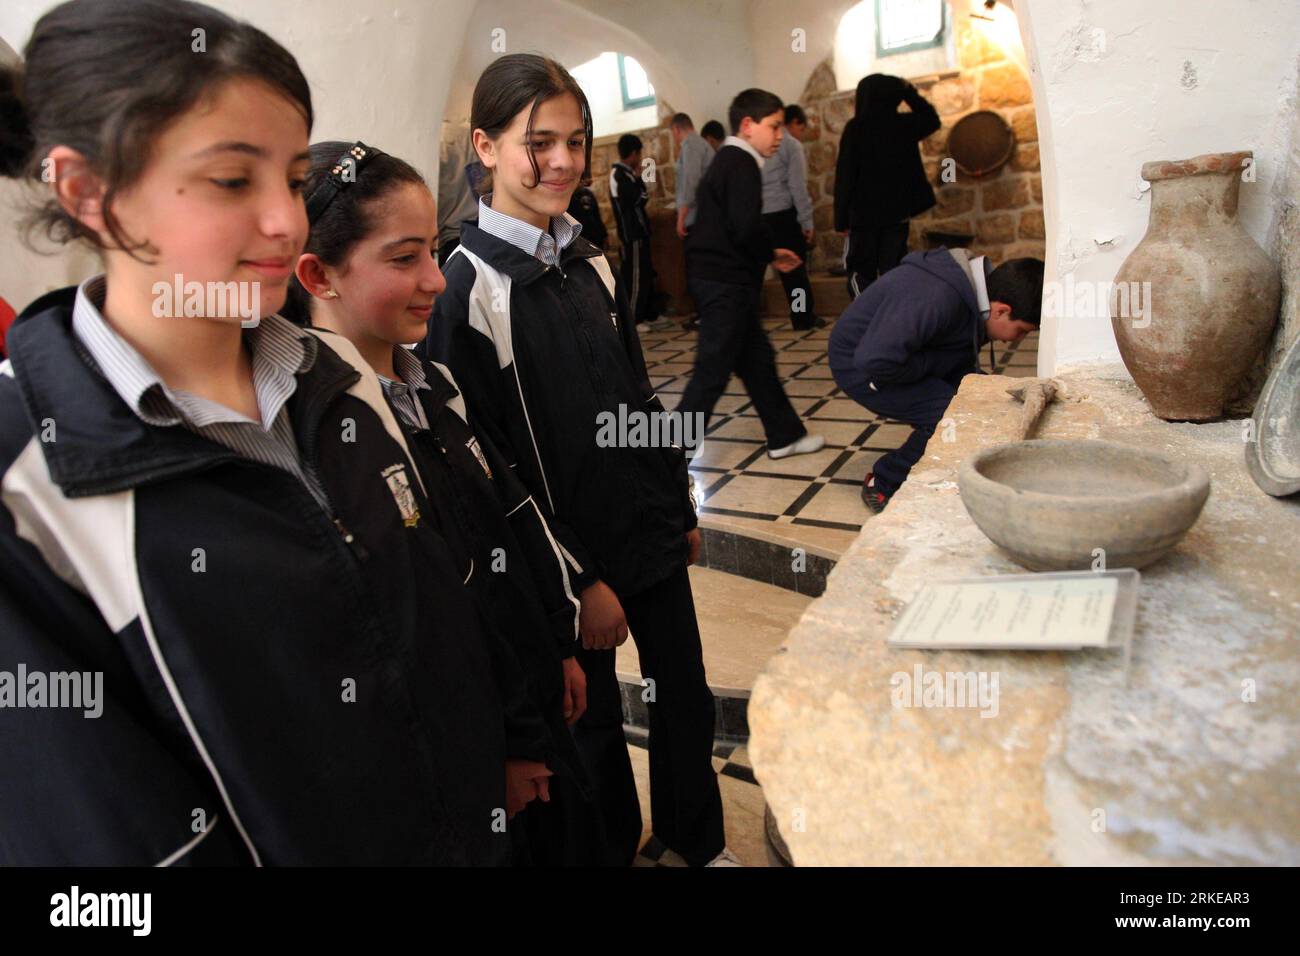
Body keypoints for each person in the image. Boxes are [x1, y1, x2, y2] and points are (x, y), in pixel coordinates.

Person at [0, 0, 515, 866]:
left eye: (293, 175)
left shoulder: (335, 372)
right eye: (234, 181)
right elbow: (101, 831)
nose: (286, 219)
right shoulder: (27, 476)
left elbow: (434, 627)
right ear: (88, 191)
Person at [424, 53, 737, 868]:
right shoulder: (468, 287)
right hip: (569, 568)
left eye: (576, 140)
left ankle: (693, 841)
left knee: (684, 701)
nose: (563, 161)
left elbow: (638, 394)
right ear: (487, 147)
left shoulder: (592, 259)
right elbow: (490, 462)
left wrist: (681, 503)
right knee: (593, 734)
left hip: (649, 532)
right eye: (540, 142)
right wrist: (579, 579)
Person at [288, 140, 606, 864]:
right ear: (318, 274)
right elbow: (426, 623)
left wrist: (557, 641)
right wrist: (507, 742)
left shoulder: (432, 383)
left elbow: (506, 524)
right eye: (405, 260)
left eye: (435, 250)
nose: (436, 279)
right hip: (472, 745)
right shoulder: (335, 434)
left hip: (526, 697)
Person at [829, 250, 1044, 511]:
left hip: (899, 355)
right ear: (1000, 310)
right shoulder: (937, 297)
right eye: (1021, 330)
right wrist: (938, 366)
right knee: (946, 413)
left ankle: (947, 461)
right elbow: (875, 360)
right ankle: (884, 480)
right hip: (861, 366)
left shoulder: (976, 294)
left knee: (980, 397)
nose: (1018, 339)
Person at [677, 88, 826, 461]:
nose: (780, 136)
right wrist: (771, 254)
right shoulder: (740, 162)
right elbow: (745, 226)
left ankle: (784, 435)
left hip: (725, 279)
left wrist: (769, 253)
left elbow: (736, 224)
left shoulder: (732, 160)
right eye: (774, 127)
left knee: (757, 361)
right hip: (723, 282)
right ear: (747, 125)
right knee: (712, 369)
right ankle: (670, 450)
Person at [834, 74, 940, 298]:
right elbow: (932, 119)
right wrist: (907, 91)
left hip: (863, 217)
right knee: (894, 271)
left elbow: (845, 174)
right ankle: (892, 320)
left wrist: (841, 217)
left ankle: (865, 318)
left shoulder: (856, 128)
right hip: (896, 214)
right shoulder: (904, 125)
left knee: (861, 273)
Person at [762, 103, 820, 330]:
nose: (800, 134)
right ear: (794, 122)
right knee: (794, 272)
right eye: (801, 128)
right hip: (783, 215)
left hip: (760, 215)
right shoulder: (790, 145)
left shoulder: (759, 144)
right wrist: (807, 221)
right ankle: (802, 317)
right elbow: (798, 186)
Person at [609, 133, 669, 332]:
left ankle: (650, 313)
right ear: (633, 153)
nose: (641, 156)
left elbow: (641, 196)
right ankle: (634, 319)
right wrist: (639, 180)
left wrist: (638, 181)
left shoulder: (628, 175)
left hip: (640, 233)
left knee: (646, 274)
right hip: (631, 235)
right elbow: (638, 198)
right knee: (634, 276)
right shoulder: (619, 175)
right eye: (639, 152)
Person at [671, 113, 713, 240]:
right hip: (701, 215)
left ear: (676, 130)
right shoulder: (698, 143)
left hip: (696, 218)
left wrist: (681, 217)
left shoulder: (691, 145)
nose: (674, 138)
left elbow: (690, 182)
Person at [567, 183, 607, 250]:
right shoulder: (567, 198)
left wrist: (604, 235)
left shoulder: (588, 193)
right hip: (581, 240)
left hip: (596, 236)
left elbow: (597, 215)